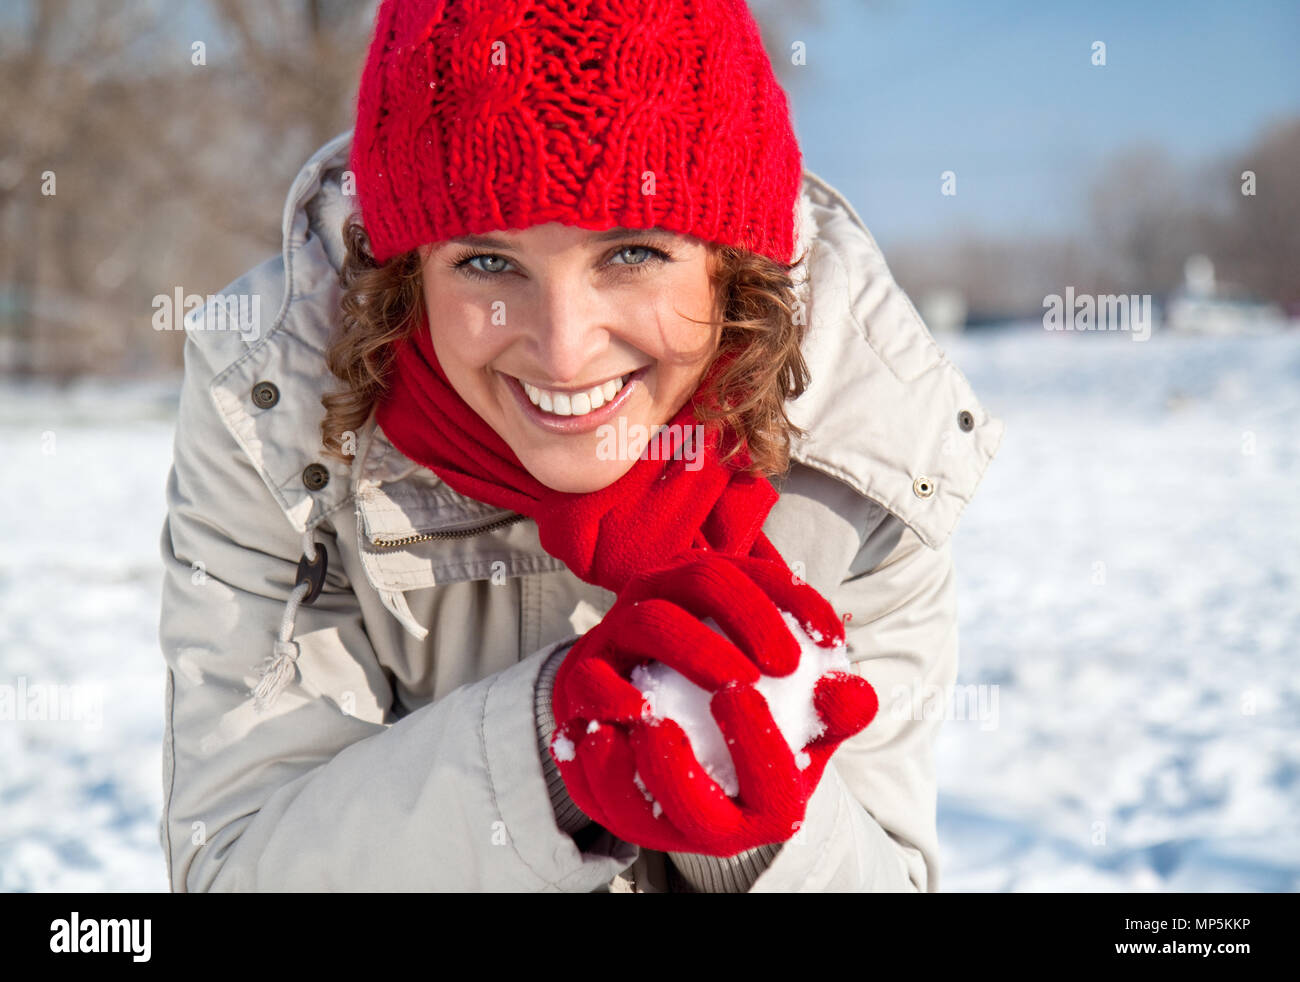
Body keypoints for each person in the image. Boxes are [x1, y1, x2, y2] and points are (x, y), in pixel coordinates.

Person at [157, 0, 1003, 892]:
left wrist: (756, 834)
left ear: (731, 262)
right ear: (406, 271)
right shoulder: (281, 414)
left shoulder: (864, 448)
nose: (563, 349)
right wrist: (544, 762)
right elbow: (236, 865)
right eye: (487, 263)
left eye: (632, 253)